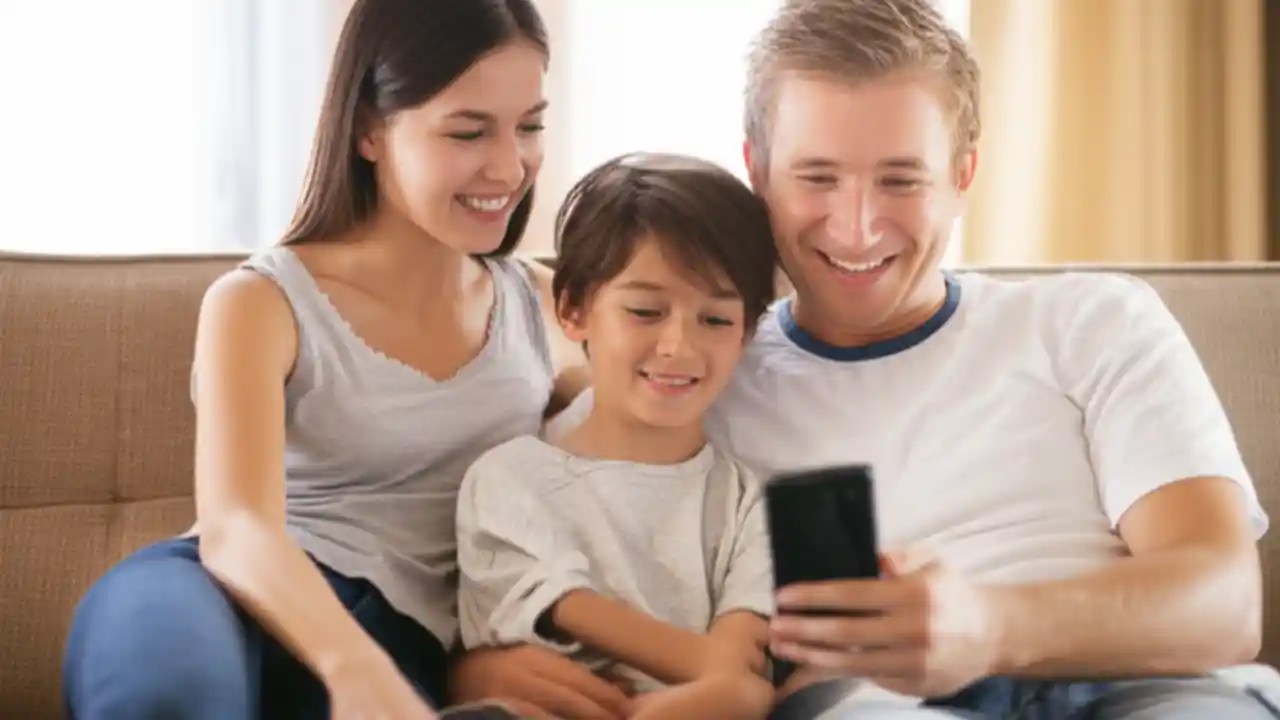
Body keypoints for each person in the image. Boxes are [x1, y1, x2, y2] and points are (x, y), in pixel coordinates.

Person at [453, 1, 1277, 718]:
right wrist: (473, 666)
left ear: (963, 175)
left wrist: (987, 627)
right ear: (758, 173)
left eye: (900, 181)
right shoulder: (701, 377)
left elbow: (1224, 603)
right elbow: (549, 503)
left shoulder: (1091, 320)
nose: (856, 228)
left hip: (1151, 689)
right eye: (817, 177)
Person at [60, 1, 586, 718]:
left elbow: (656, 448)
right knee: (168, 695)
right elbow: (238, 525)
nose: (509, 164)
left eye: (529, 126)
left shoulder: (545, 308)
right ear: (370, 130)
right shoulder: (261, 300)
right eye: (468, 130)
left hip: (410, 641)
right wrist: (353, 667)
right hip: (222, 596)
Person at [455, 153, 780, 720]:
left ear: (749, 330)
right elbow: (566, 606)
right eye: (646, 311)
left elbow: (738, 652)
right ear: (574, 310)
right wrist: (733, 685)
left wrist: (731, 687)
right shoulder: (509, 476)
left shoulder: (745, 499)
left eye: (717, 320)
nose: (679, 345)